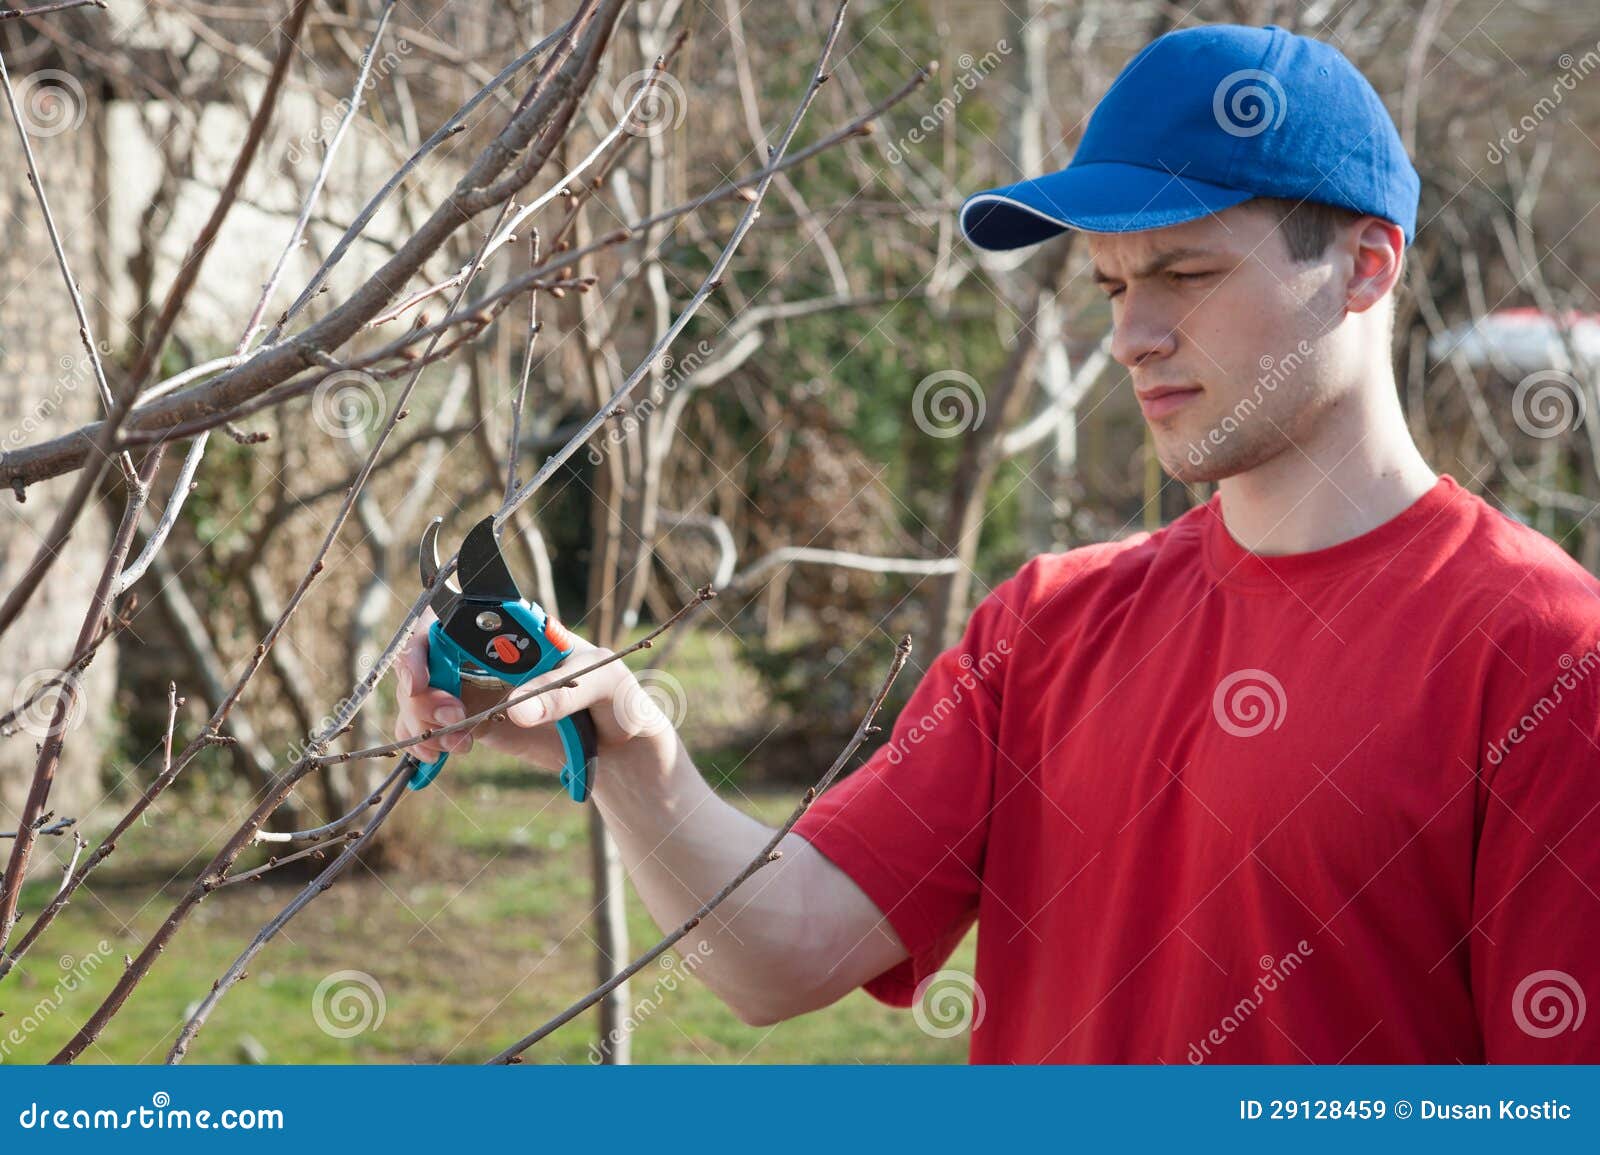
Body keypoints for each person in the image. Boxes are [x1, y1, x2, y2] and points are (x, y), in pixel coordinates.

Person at [394, 24, 1600, 1062]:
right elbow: (783, 955)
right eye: (1110, 286)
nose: (1131, 336)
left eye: (1181, 271)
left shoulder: (1547, 657)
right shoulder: (1048, 624)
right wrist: (619, 741)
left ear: (1363, 266)